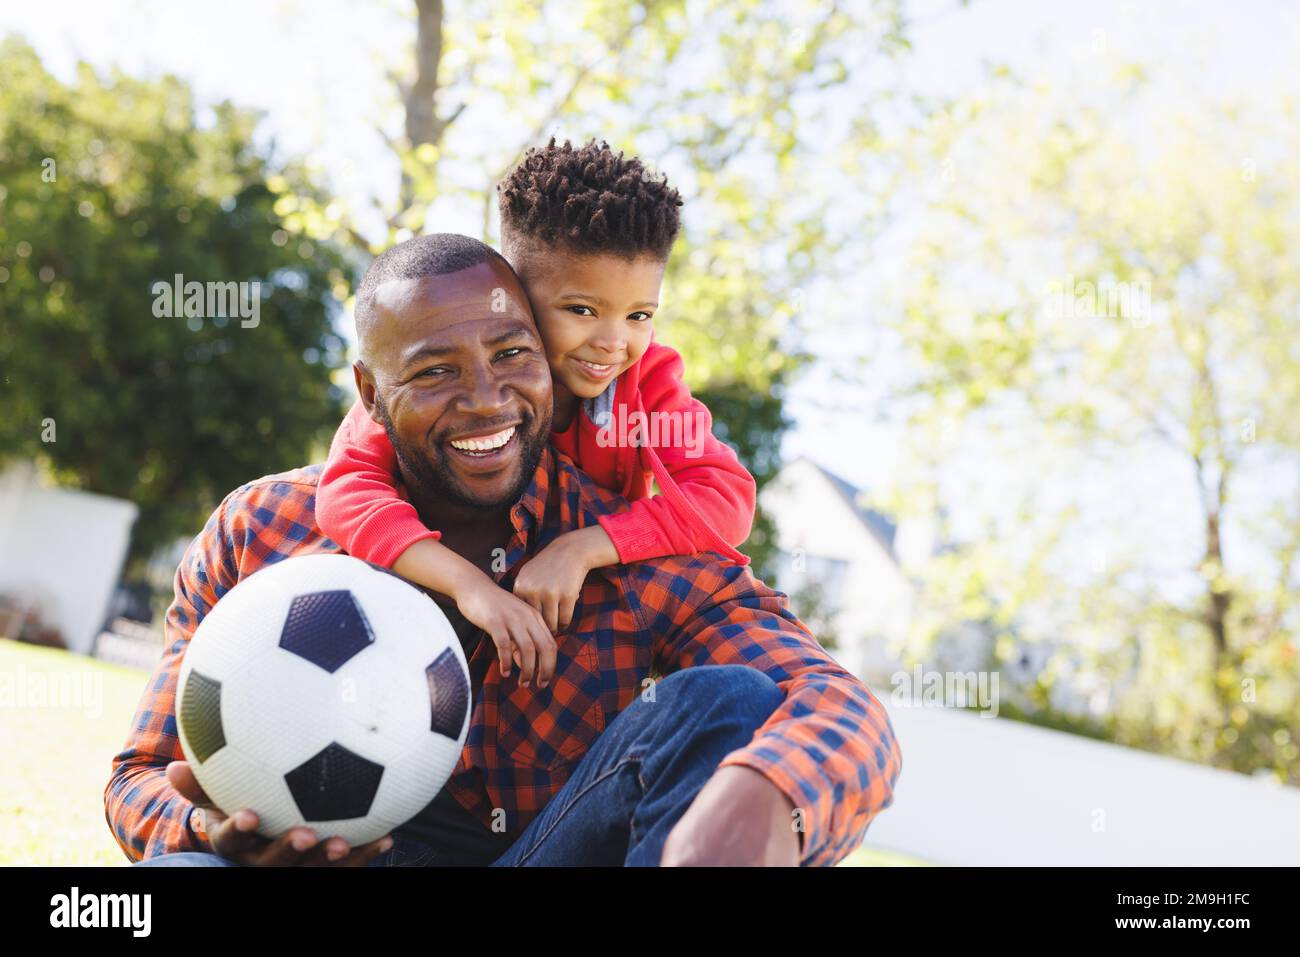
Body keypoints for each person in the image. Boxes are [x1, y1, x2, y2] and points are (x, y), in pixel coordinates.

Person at [106, 234, 902, 867]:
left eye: (513, 354)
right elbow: (138, 777)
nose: (486, 397)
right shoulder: (264, 528)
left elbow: (840, 710)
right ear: (370, 394)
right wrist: (213, 833)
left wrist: (769, 797)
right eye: (435, 370)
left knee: (723, 701)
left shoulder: (632, 549)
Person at [316, 138, 757, 692]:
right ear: (513, 296)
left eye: (640, 314)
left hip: (578, 620)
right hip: (441, 614)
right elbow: (346, 494)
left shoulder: (646, 387)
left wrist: (584, 547)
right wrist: (470, 586)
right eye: (582, 310)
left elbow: (725, 498)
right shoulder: (424, 385)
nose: (613, 343)